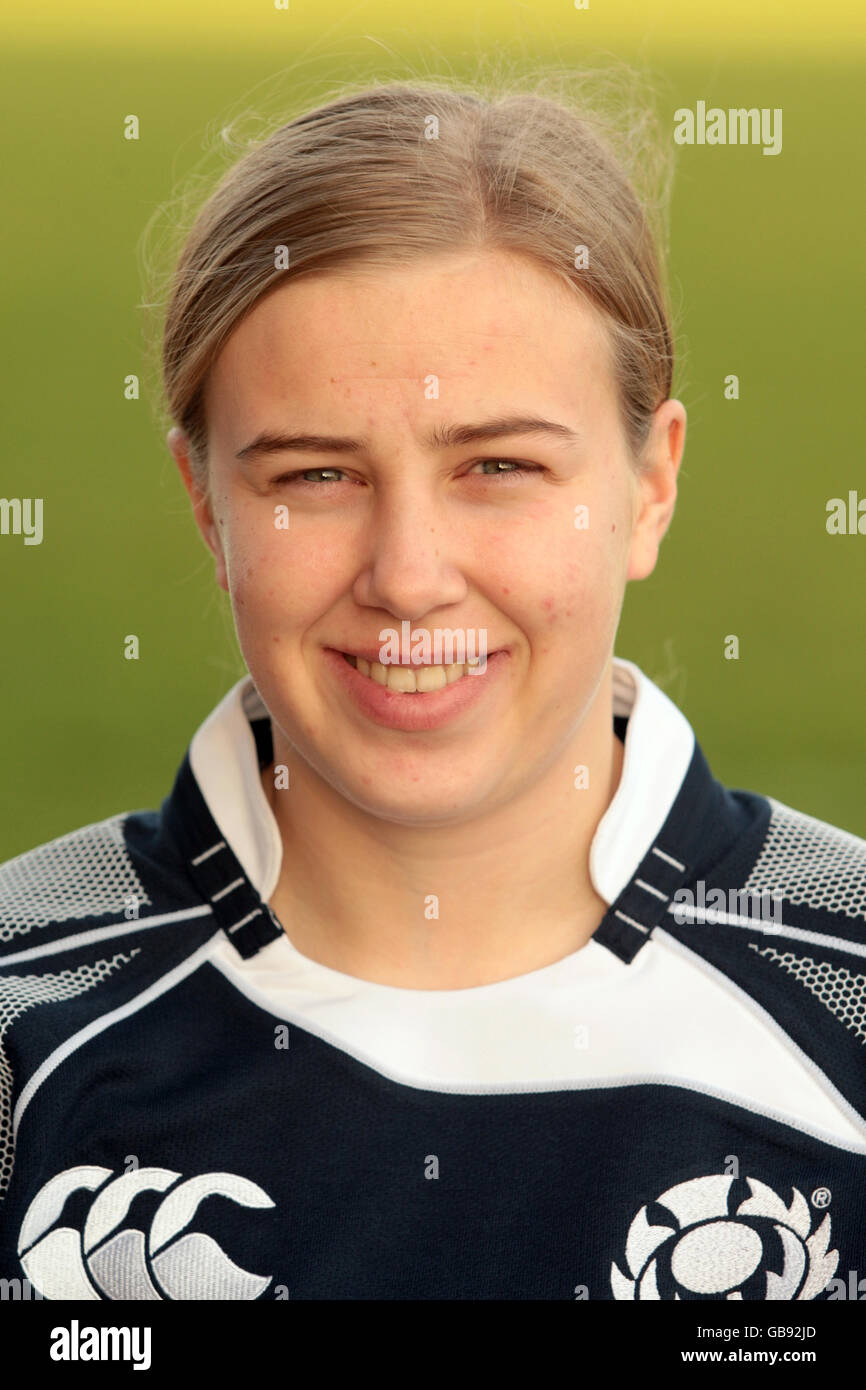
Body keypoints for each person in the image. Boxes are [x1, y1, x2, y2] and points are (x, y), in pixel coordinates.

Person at [1, 77, 864, 1303]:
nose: (407, 576)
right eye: (316, 475)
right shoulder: (23, 1022)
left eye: (497, 465)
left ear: (649, 485)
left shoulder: (845, 992)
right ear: (206, 502)